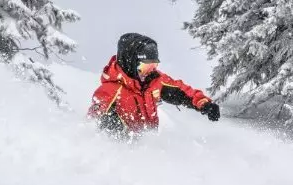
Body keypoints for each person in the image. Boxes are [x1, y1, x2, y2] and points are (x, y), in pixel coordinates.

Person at [88, 33, 220, 139]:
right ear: (130, 63)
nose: (150, 71)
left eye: (154, 65)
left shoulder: (154, 81)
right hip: (124, 154)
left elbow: (182, 91)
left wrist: (204, 103)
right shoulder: (111, 91)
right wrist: (110, 128)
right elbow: (92, 125)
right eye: (145, 66)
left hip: (150, 148)